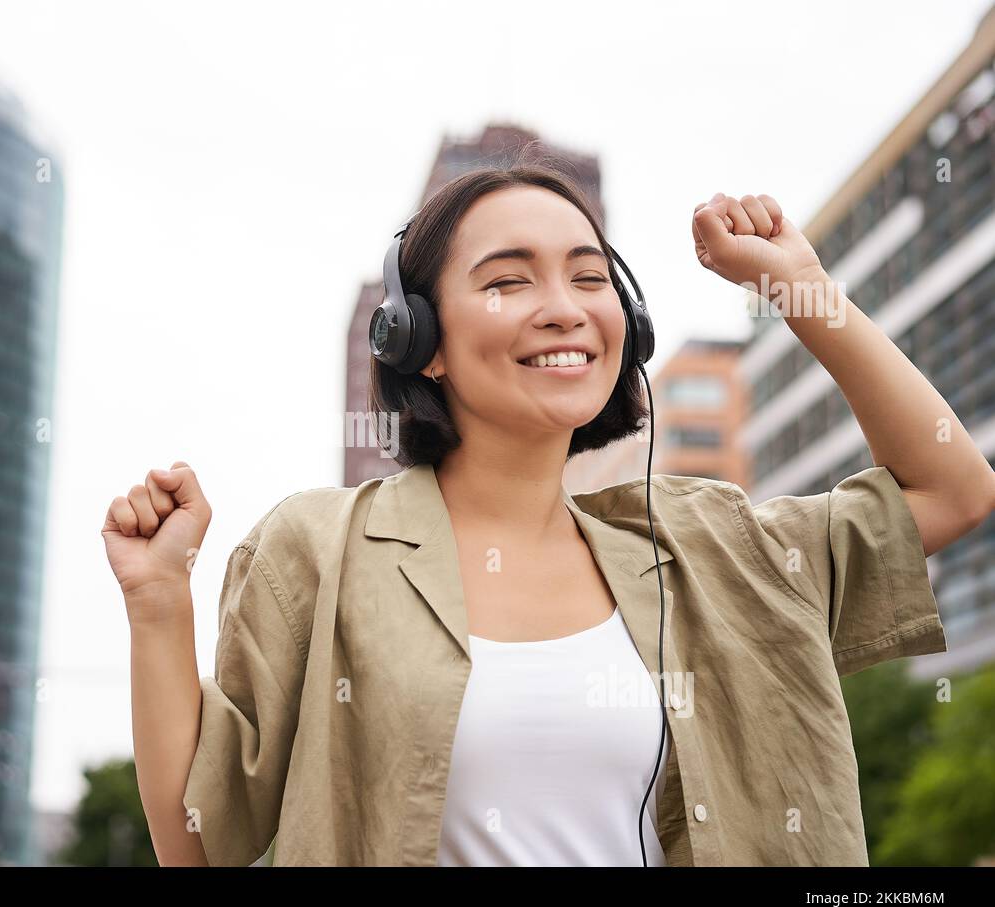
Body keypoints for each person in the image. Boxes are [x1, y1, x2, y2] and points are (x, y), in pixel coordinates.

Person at [102, 163, 995, 867]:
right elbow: (198, 841)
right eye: (507, 282)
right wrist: (157, 604)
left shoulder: (711, 548)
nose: (563, 309)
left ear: (628, 322)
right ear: (420, 338)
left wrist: (800, 285)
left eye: (589, 278)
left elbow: (952, 489)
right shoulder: (319, 551)